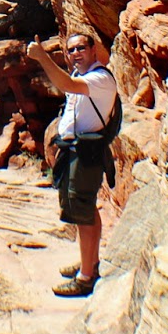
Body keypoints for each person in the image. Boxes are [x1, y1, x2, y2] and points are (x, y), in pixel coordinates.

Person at [27, 33, 118, 298]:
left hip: (86, 153)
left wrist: (43, 58)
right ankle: (90, 262)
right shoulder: (85, 78)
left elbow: (66, 84)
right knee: (87, 209)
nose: (76, 53)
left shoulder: (99, 78)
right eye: (71, 50)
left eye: (81, 48)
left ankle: (85, 278)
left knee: (83, 213)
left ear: (93, 50)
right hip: (78, 150)